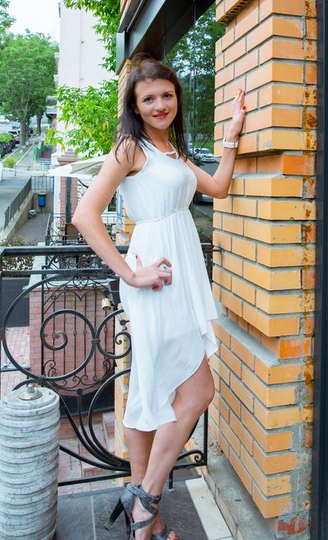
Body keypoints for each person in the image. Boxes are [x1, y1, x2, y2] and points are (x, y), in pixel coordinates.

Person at [72, 53, 246, 540]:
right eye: (148, 98)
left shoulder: (172, 151)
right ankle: (145, 501)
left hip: (181, 273)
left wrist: (232, 135)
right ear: (135, 105)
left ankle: (143, 514)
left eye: (167, 95)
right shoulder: (131, 147)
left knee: (152, 391)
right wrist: (129, 273)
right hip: (157, 277)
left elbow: (220, 188)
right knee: (199, 392)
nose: (160, 104)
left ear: (177, 99)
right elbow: (85, 215)